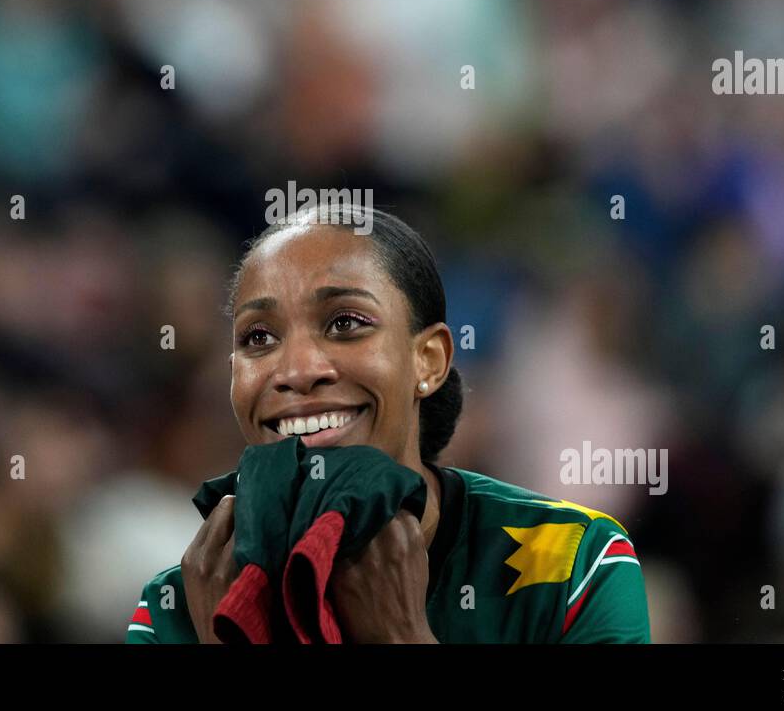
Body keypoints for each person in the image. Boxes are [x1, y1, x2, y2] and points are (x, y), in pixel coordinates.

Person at [127, 204, 650, 643]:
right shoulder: (181, 604)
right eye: (258, 338)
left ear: (429, 360)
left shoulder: (572, 564)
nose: (296, 371)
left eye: (345, 323)